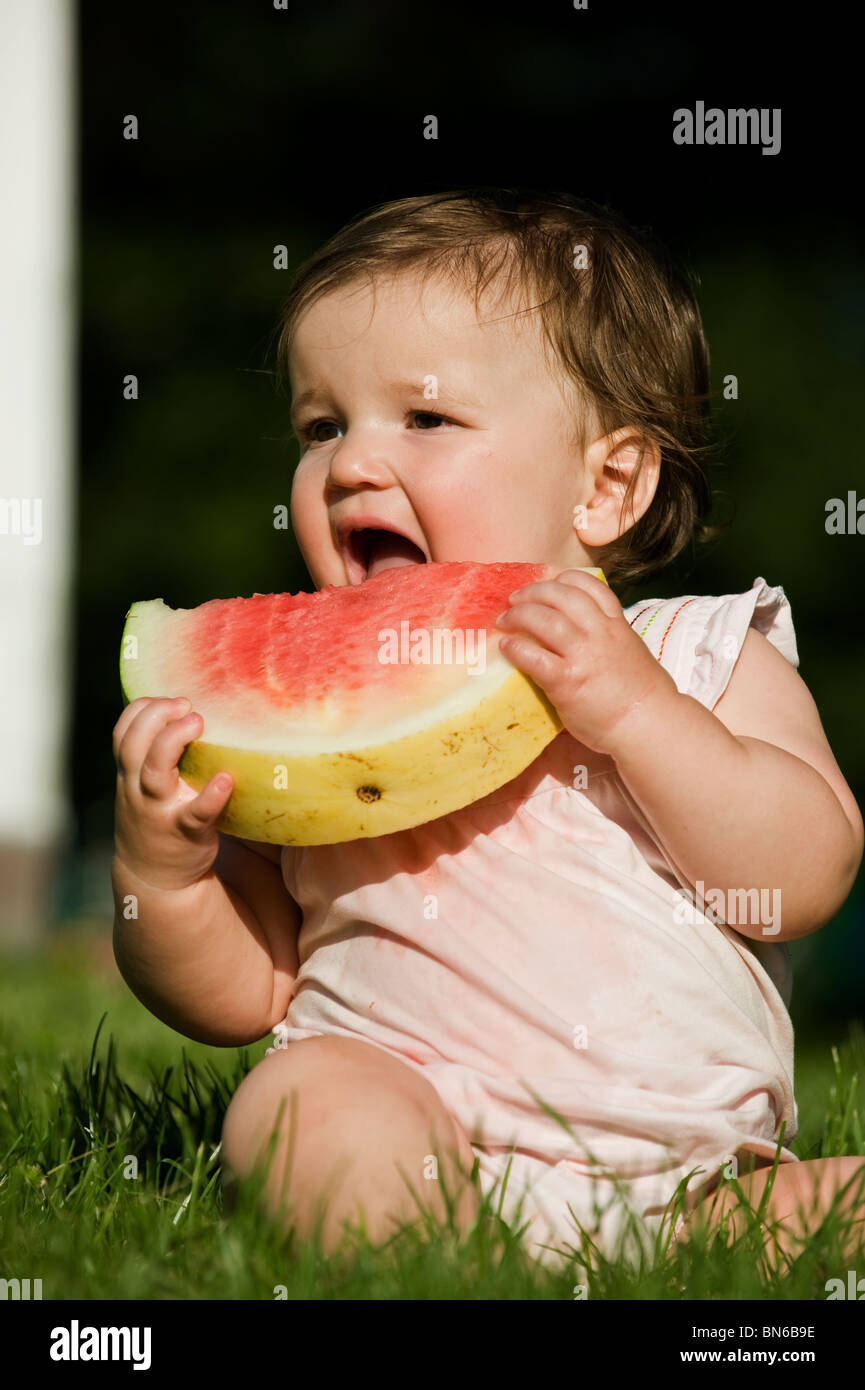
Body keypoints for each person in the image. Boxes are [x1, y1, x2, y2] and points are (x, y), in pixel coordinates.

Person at [111, 190, 865, 1274]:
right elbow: (243, 996)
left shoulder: (692, 654)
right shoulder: (316, 746)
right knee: (295, 1104)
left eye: (424, 420)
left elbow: (801, 876)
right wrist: (166, 874)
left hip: (698, 1183)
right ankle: (444, 1260)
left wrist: (639, 714)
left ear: (606, 484)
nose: (350, 464)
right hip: (416, 1143)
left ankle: (649, 1245)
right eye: (321, 426)